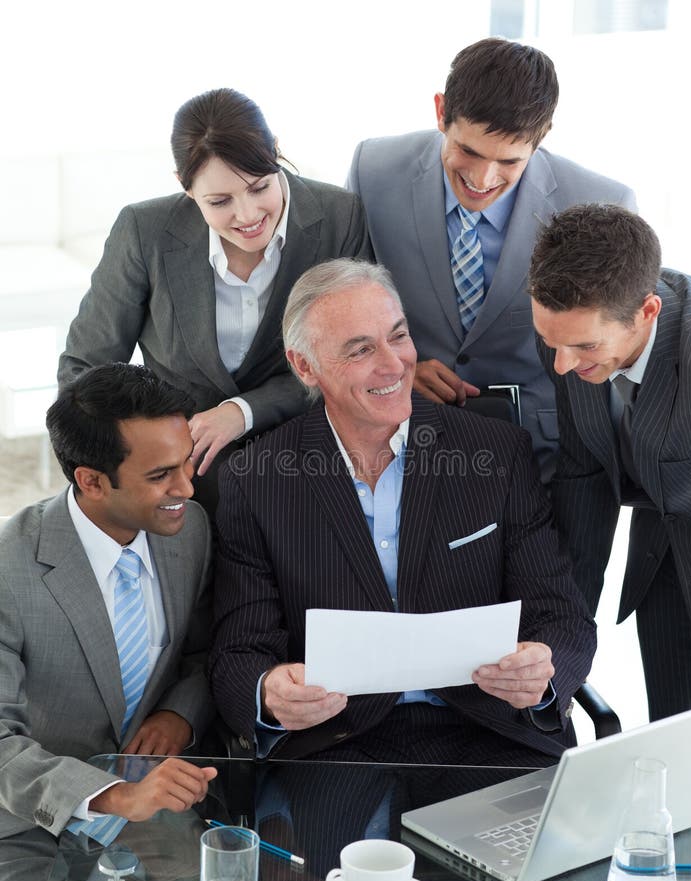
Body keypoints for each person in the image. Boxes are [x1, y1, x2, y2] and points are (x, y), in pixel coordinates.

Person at [210, 259, 596, 765]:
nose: (393, 365)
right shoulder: (255, 479)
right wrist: (268, 692)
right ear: (305, 367)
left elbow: (561, 615)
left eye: (398, 336)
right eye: (360, 349)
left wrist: (544, 669)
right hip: (335, 747)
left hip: (490, 733)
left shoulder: (498, 453)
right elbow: (239, 652)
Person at [59, 87, 371, 514]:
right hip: (182, 466)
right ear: (185, 188)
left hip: (301, 452)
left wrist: (242, 411)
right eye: (219, 201)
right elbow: (85, 368)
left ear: (276, 152)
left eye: (259, 187)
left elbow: (348, 360)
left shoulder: (339, 216)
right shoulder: (144, 230)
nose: (247, 215)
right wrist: (129, 461)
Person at [347, 37, 636, 481]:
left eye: (508, 161)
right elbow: (347, 308)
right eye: (468, 151)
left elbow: (618, 351)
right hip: (404, 443)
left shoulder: (603, 204)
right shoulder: (373, 169)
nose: (482, 179)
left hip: (549, 460)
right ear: (441, 111)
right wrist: (397, 370)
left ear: (540, 140)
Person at [528, 203, 691, 721]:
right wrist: (563, 638)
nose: (561, 364)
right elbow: (584, 476)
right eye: (553, 343)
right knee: (676, 738)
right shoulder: (566, 328)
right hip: (665, 541)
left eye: (582, 347)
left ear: (647, 311)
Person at [0, 363, 216, 842]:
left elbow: (205, 653)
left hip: (159, 812)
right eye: (161, 475)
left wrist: (179, 714)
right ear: (92, 481)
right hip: (27, 826)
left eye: (186, 463)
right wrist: (115, 795)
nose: (186, 488)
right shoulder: (8, 568)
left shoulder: (190, 531)